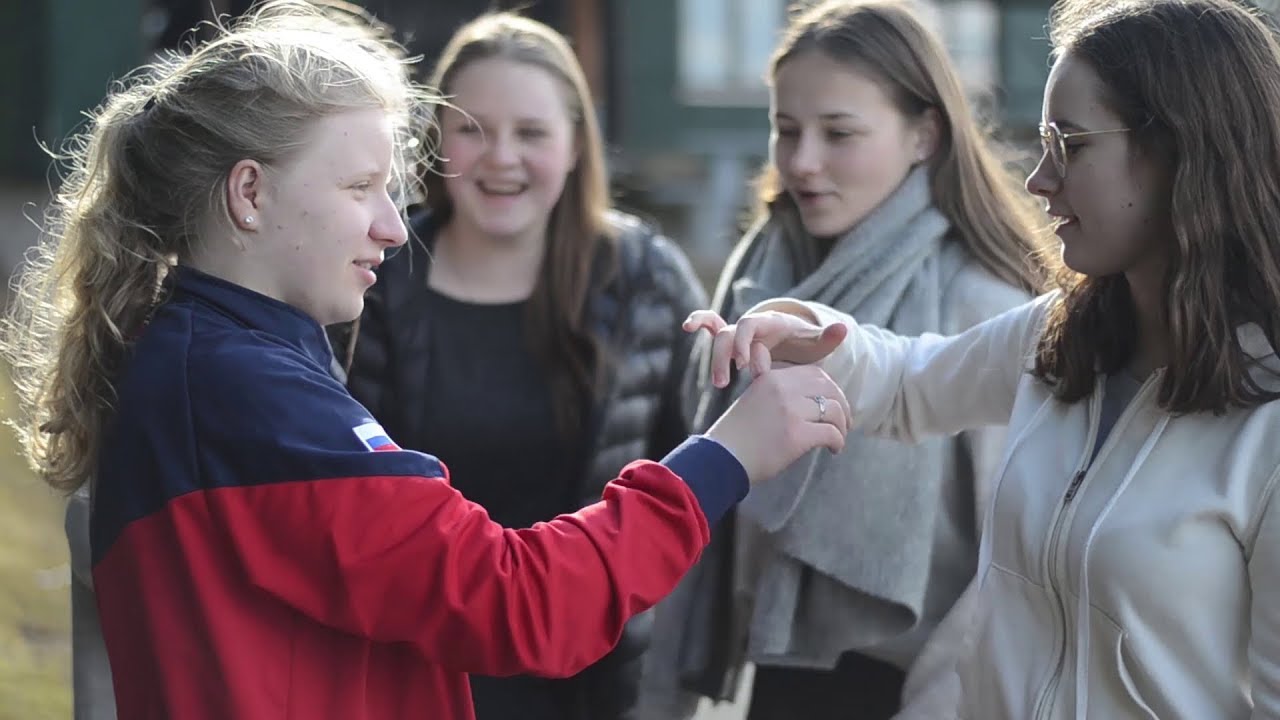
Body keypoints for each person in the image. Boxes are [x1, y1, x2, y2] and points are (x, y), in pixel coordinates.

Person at [0, 3, 854, 719]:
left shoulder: (216, 362)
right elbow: (520, 603)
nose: (391, 224)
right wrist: (729, 456)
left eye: (392, 186)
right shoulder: (249, 394)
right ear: (249, 194)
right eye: (359, 187)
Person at [685, 0, 1280, 716]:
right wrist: (812, 330)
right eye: (1044, 141)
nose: (1041, 180)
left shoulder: (1267, 423)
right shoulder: (1060, 335)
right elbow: (910, 383)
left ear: (1183, 151)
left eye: (1074, 144)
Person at [640, 1, 1049, 718]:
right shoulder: (760, 269)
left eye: (839, 133)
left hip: (925, 692)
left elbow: (1012, 565)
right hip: (780, 678)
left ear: (924, 134)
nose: (802, 162)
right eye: (785, 130)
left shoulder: (985, 302)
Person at [331, 11, 711, 720]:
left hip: (594, 688)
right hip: (404, 681)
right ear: (437, 141)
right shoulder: (369, 279)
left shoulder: (644, 280)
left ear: (574, 145)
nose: (500, 156)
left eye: (531, 133)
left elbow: (697, 478)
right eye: (473, 128)